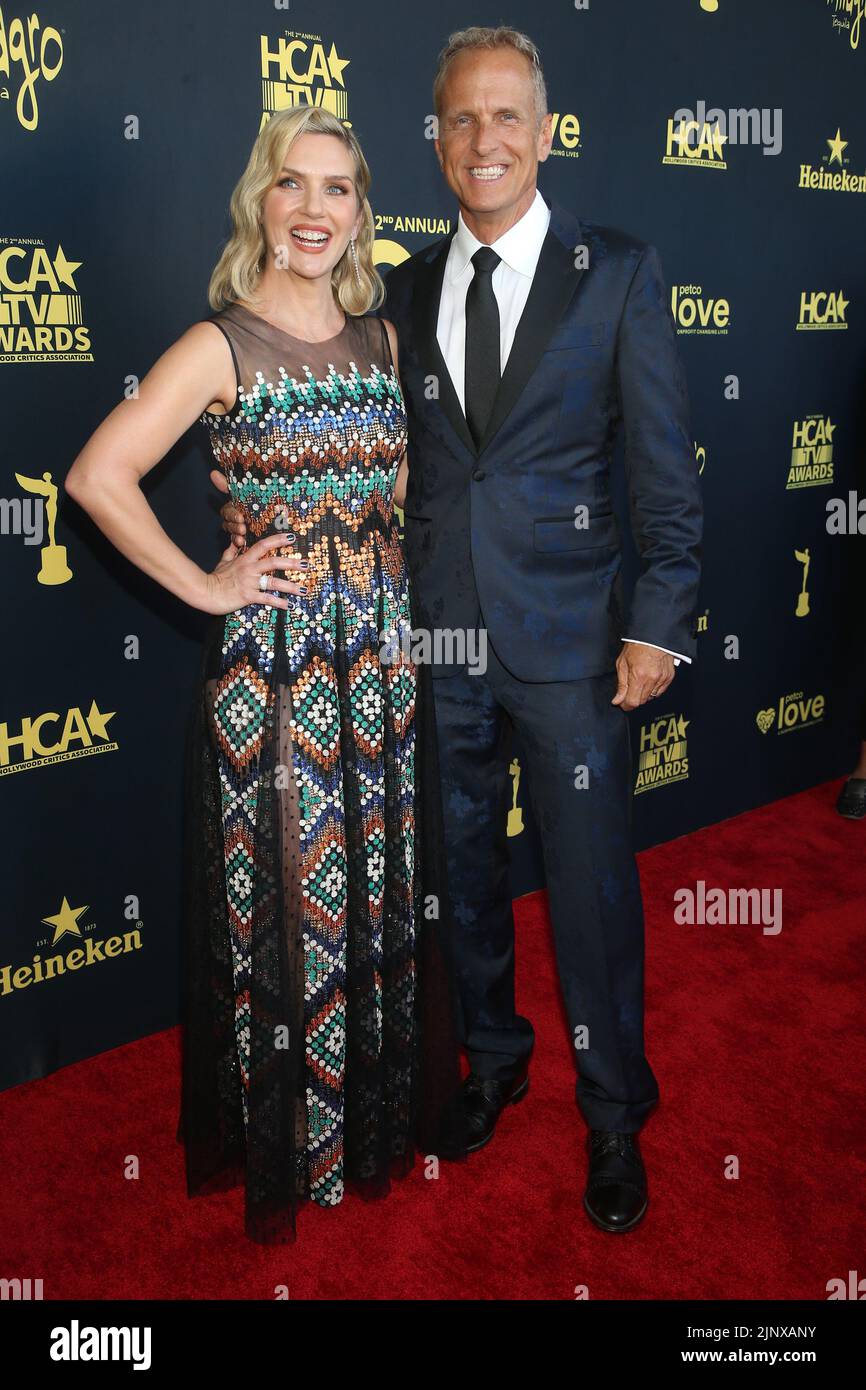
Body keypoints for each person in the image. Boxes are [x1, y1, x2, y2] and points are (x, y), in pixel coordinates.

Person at [217, 26, 703, 1234]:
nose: (483, 141)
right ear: (435, 144)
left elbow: (663, 471)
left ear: (543, 131)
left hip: (578, 645)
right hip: (428, 648)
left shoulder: (619, 271)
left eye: (506, 118)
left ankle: (610, 1114)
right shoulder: (407, 290)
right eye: (458, 121)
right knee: (459, 880)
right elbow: (371, 462)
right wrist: (246, 525)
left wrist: (661, 619)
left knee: (588, 890)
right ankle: (490, 1059)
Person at [64, 105, 463, 1245]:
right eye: (292, 186)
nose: (314, 209)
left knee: (374, 896)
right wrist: (203, 586)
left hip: (380, 669)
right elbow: (99, 475)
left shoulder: (383, 339)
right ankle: (302, 1143)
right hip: (279, 674)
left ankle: (370, 1128)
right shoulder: (218, 345)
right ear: (261, 202)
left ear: (359, 211)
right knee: (293, 907)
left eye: (335, 189)